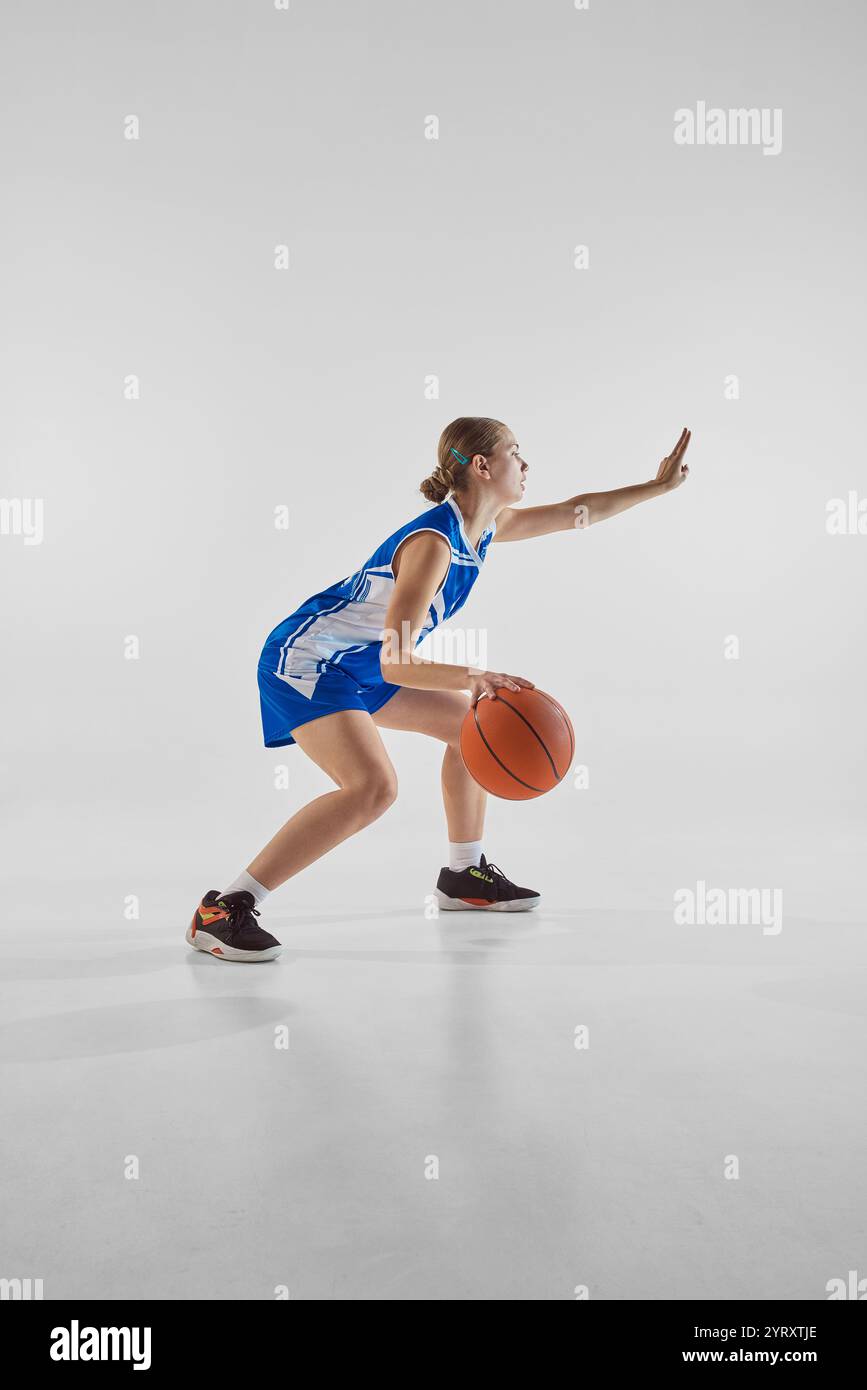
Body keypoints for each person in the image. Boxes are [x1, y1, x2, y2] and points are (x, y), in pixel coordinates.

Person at [186, 416, 691, 962]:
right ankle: (225, 908)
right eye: (515, 453)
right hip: (308, 660)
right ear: (482, 466)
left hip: (358, 662)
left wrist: (656, 487)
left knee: (470, 729)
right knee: (372, 789)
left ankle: (463, 875)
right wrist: (473, 677)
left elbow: (577, 513)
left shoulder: (485, 528)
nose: (525, 464)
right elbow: (398, 661)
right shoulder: (433, 543)